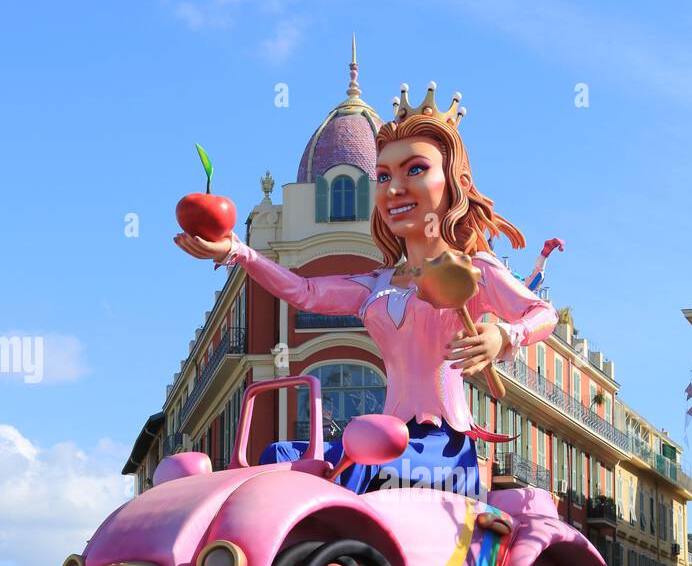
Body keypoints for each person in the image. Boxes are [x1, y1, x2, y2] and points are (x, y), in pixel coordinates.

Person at [174, 81, 558, 496]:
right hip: (383, 436)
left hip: (440, 445)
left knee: (349, 470)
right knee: (280, 459)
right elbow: (303, 291)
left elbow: (543, 314)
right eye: (382, 175)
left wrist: (504, 333)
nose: (394, 188)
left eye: (415, 170)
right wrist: (238, 250)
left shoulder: (476, 268)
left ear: (455, 182)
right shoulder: (375, 285)